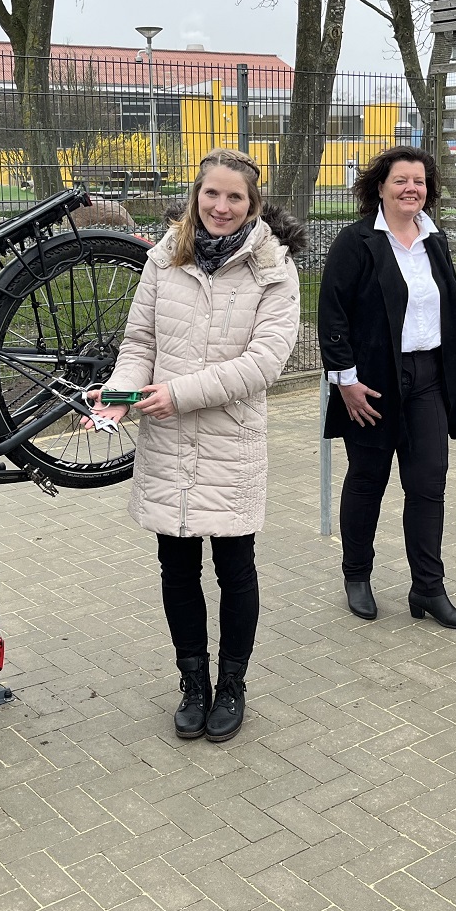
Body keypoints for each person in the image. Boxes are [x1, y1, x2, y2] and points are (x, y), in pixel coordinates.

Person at [89, 148, 303, 743]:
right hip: (167, 438)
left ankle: (232, 685)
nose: (221, 206)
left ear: (252, 204)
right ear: (196, 195)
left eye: (235, 197)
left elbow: (264, 363)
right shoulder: (164, 257)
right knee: (177, 568)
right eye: (212, 193)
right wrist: (119, 395)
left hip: (230, 440)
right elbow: (139, 341)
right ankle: (193, 683)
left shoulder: (273, 268)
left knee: (235, 568)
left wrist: (178, 394)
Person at [318, 145, 456, 629]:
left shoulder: (435, 240)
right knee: (367, 480)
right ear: (380, 187)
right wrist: (345, 381)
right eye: (401, 180)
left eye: (419, 181)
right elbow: (332, 314)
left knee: (428, 484)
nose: (411, 188)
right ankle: (357, 575)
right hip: (371, 384)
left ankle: (428, 588)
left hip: (429, 379)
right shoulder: (356, 241)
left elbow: (450, 311)